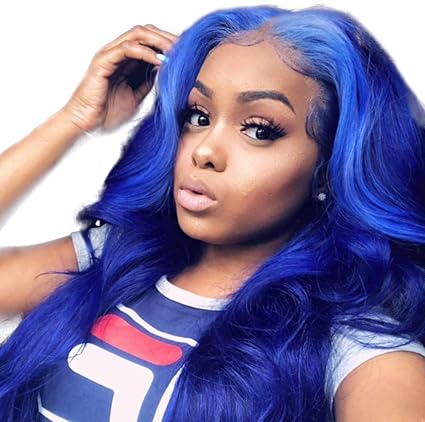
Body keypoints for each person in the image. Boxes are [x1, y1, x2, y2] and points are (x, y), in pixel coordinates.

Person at [0, 4, 425, 421]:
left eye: (259, 130)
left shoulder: (352, 346)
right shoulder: (112, 257)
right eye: (198, 116)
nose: (204, 150)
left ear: (329, 170)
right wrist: (74, 119)